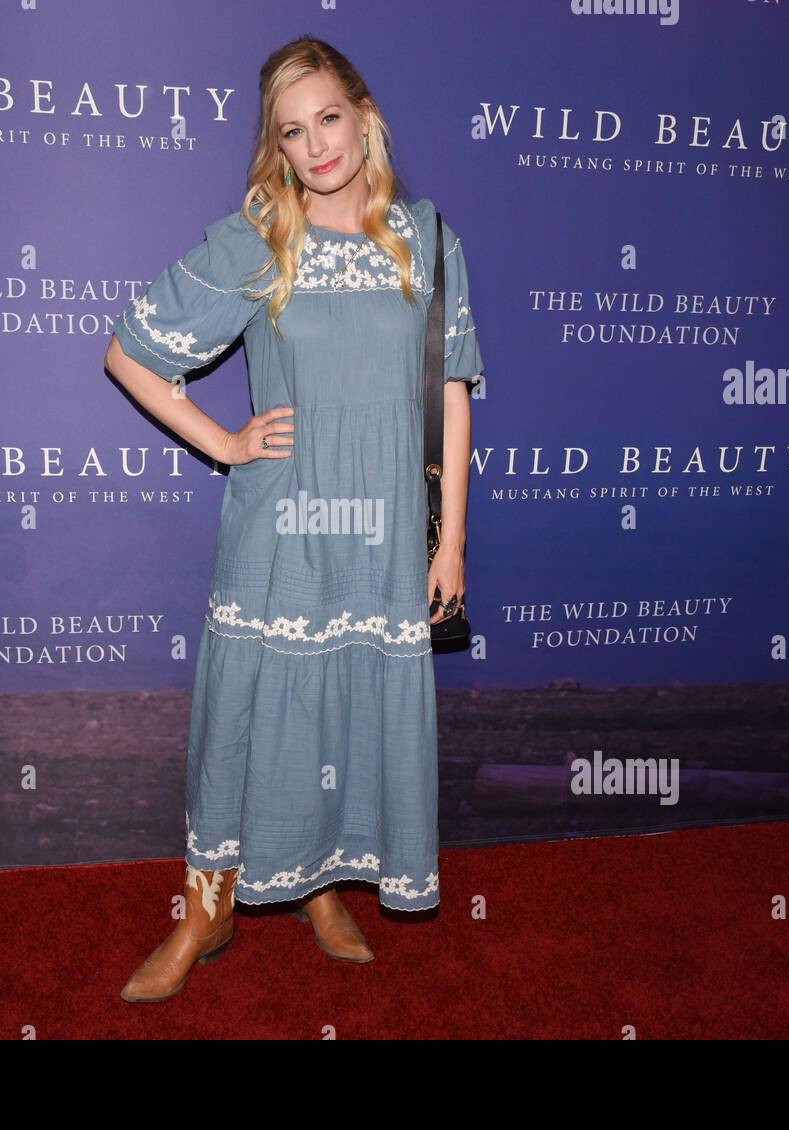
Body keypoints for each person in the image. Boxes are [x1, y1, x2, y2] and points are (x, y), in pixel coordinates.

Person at [104, 35, 484, 1003]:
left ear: (363, 112)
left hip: (386, 527)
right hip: (283, 521)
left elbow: (451, 396)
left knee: (353, 704)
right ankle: (204, 907)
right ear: (274, 146)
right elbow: (132, 354)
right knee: (248, 715)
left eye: (327, 117)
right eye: (291, 130)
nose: (316, 145)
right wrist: (222, 440)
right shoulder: (257, 236)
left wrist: (451, 543)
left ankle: (318, 884)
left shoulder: (428, 237)